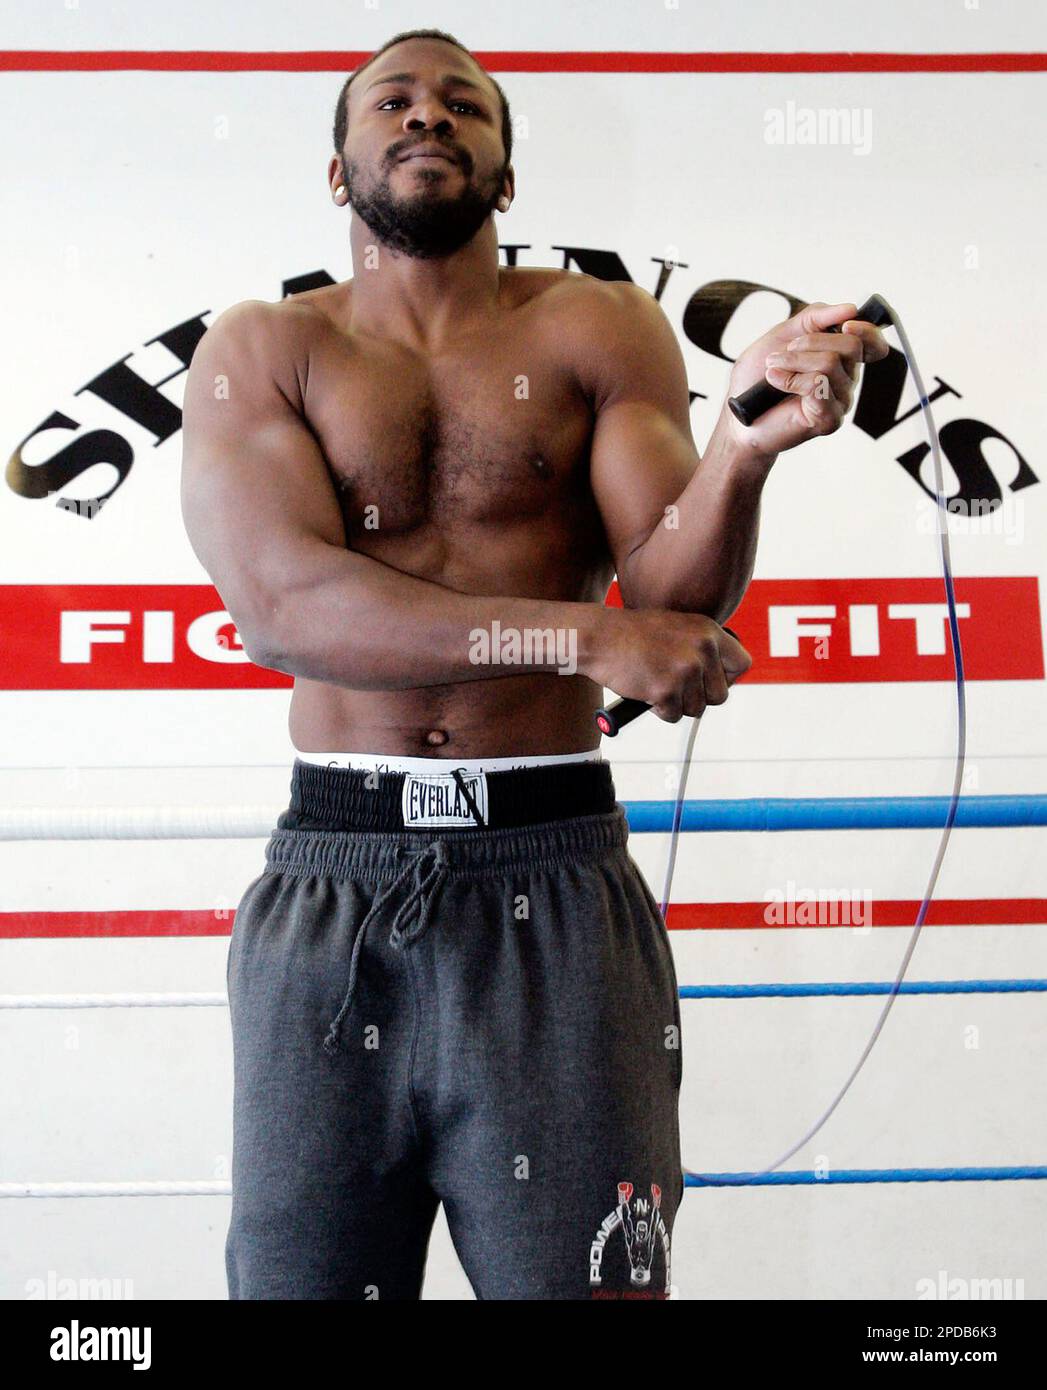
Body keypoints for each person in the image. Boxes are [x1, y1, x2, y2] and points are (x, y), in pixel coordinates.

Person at [180, 27, 888, 1300]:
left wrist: (743, 447)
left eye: (466, 108)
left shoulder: (598, 326)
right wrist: (583, 632)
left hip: (552, 878)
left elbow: (671, 595)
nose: (428, 119)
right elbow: (285, 605)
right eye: (392, 102)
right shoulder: (264, 347)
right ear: (338, 173)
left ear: (507, 177)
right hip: (336, 882)